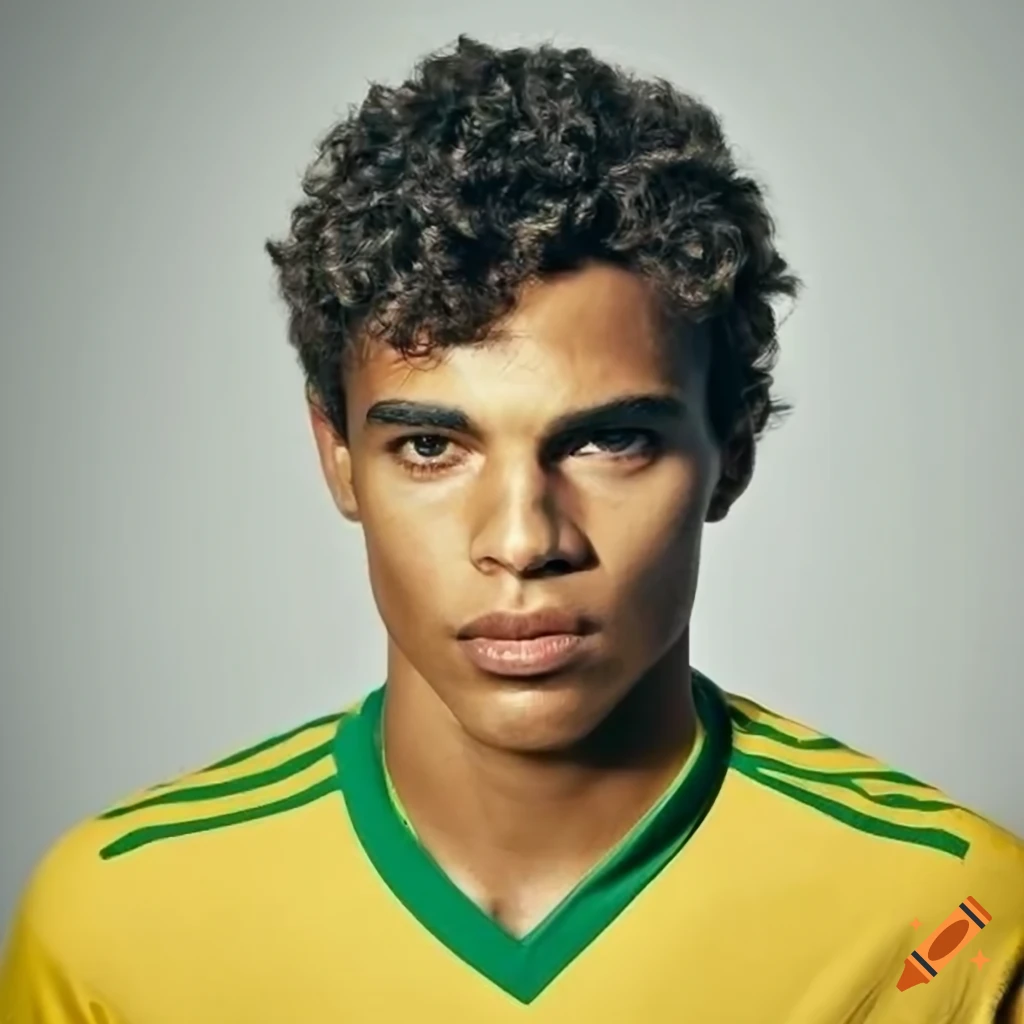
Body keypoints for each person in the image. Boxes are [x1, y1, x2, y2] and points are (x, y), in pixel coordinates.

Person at [1, 33, 1022, 1024]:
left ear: (733, 450)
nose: (524, 540)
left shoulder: (948, 921)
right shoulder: (120, 928)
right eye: (432, 449)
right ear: (337, 455)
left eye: (609, 441)